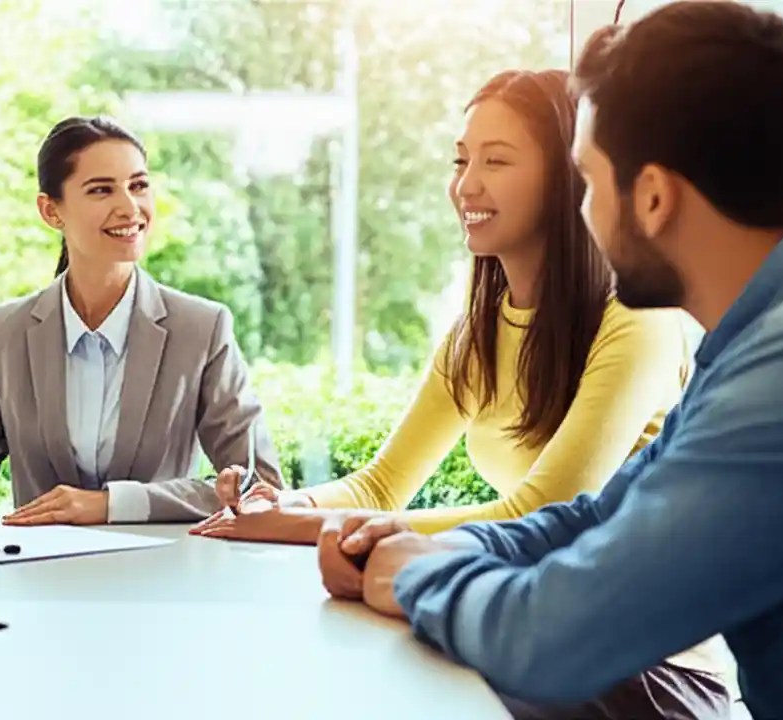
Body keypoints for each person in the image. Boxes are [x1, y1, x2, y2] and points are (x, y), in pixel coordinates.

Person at [326, 3, 783, 718]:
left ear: (652, 196)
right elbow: (598, 514)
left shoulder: (779, 377)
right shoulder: (746, 347)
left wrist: (413, 577)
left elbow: (554, 638)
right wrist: (440, 546)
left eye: (586, 179)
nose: (579, 212)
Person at [191, 69, 689, 547]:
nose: (466, 185)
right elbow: (381, 487)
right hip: (545, 595)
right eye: (461, 161)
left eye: (495, 161)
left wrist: (311, 528)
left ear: (567, 176)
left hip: (645, 618)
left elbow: (539, 515)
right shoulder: (479, 332)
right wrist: (283, 505)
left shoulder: (638, 319)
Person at [0, 115, 281, 531]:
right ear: (51, 211)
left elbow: (261, 486)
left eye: (138, 185)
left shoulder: (202, 329)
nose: (129, 207)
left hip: (161, 578)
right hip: (33, 579)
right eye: (102, 189)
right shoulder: (0, 332)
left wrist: (111, 504)